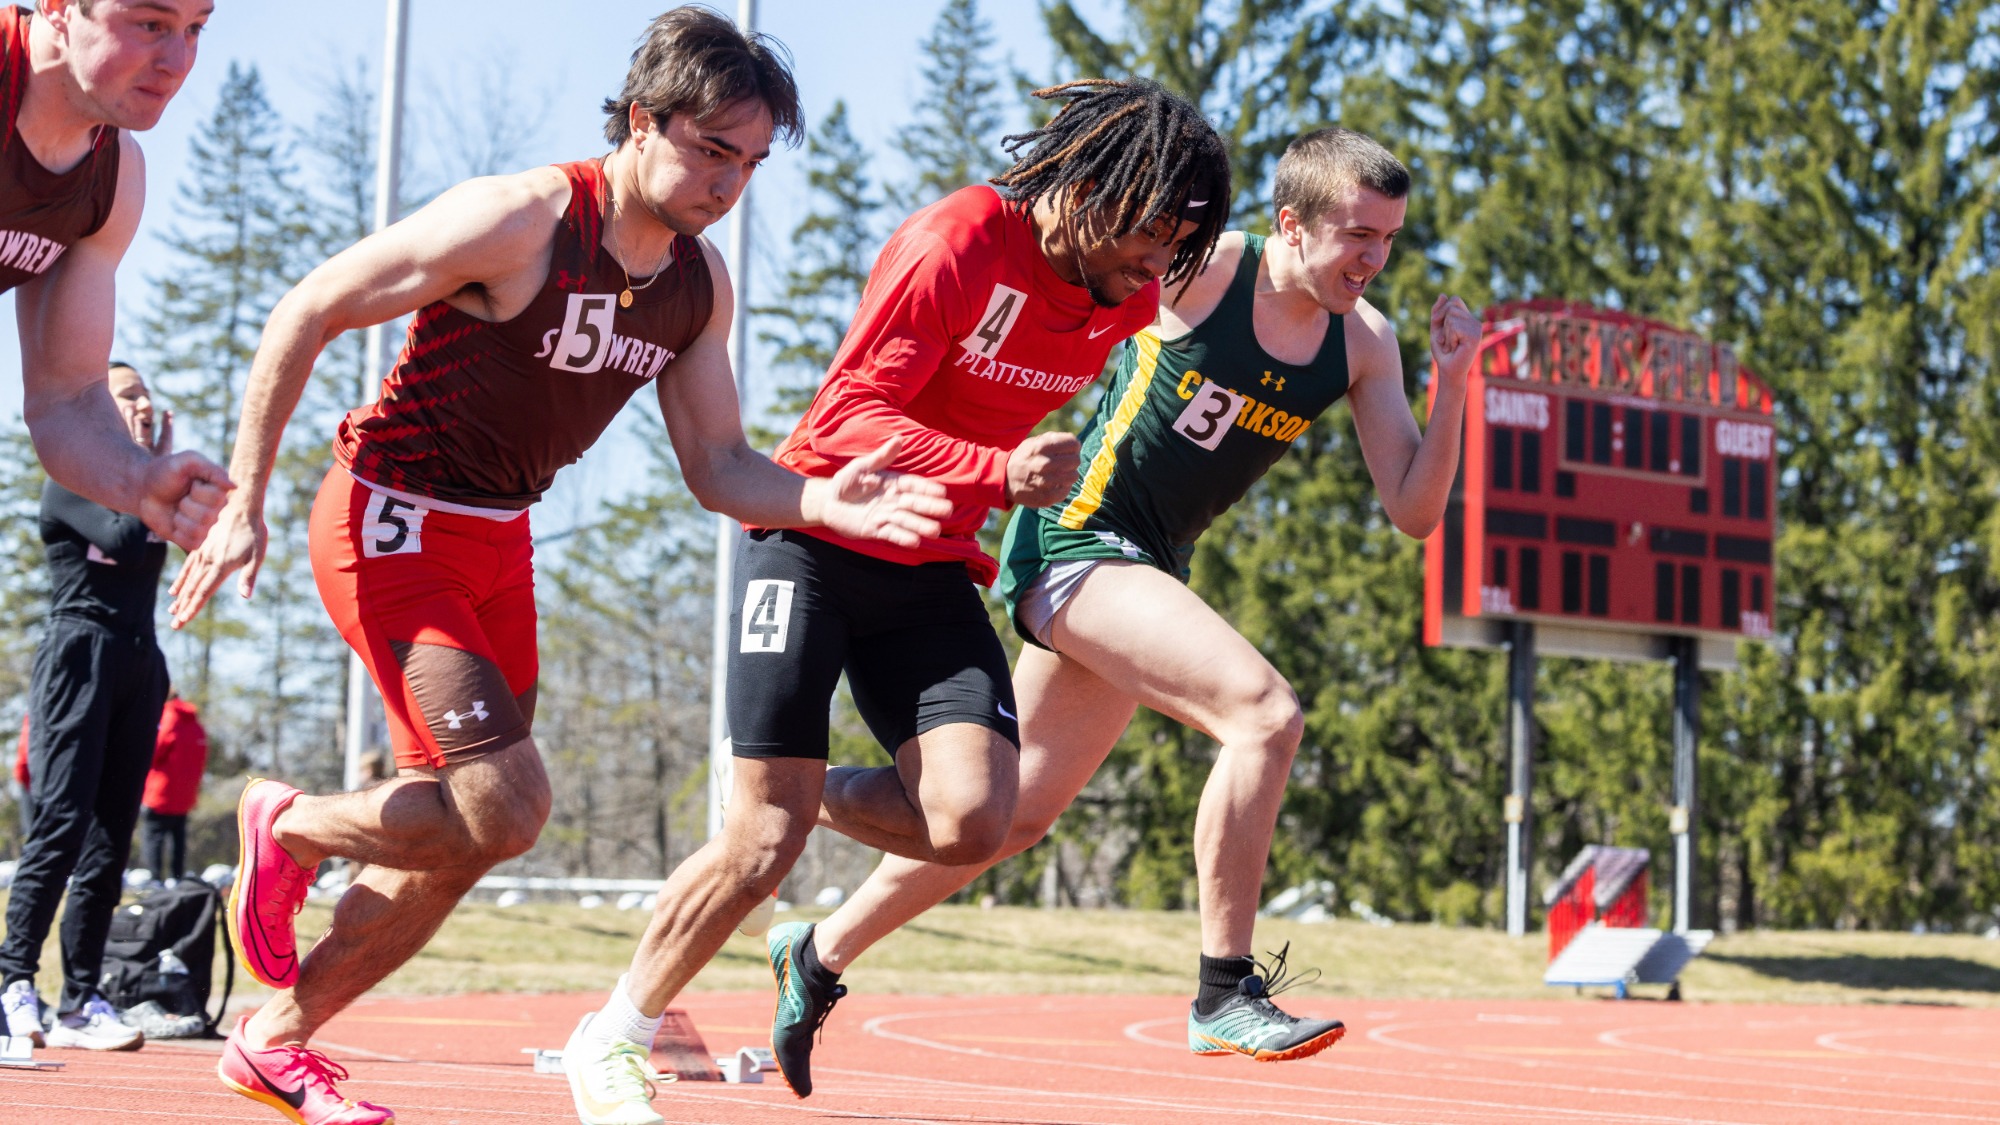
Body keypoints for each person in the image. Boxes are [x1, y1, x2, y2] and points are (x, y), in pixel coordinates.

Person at [165, 10, 949, 1125]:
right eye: (711, 149)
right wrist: (243, 496)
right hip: (391, 522)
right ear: (643, 121)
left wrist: (822, 497)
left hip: (498, 540)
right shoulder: (524, 218)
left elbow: (720, 466)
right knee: (508, 806)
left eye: (751, 163)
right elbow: (312, 306)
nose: (729, 182)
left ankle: (274, 1042)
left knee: (459, 833)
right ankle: (282, 820)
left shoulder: (696, 284)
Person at [563, 77, 1233, 1121]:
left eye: (1177, 246)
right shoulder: (959, 239)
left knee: (974, 823)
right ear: (1090, 187)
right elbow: (856, 409)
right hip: (817, 533)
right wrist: (994, 472)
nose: (1158, 267)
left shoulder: (1130, 302)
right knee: (757, 847)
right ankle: (614, 1036)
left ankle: (793, 795)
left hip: (927, 565)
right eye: (1148, 234)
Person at [774, 128, 1481, 1070]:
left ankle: (814, 940)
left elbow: (1414, 511)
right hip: (1075, 537)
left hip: (1148, 565)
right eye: (1356, 234)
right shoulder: (1200, 273)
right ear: (1289, 225)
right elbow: (1075, 283)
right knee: (1264, 715)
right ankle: (1225, 988)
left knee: (1013, 816)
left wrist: (1457, 379)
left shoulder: (1366, 344)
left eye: (1388, 239)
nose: (1374, 259)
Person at [2, 0, 231, 549]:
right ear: (58, 8)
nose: (177, 61)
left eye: (194, 29)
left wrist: (138, 480)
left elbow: (67, 397)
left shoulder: (116, 173)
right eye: (151, 25)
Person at [0, 360, 174, 1053]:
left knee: (110, 840)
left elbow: (186, 536)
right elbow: (130, 538)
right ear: (98, 408)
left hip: (139, 658)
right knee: (61, 827)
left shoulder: (149, 486)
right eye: (128, 396)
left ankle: (81, 998)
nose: (142, 406)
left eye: (146, 395)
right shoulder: (69, 479)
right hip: (80, 653)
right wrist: (155, 476)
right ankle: (13, 982)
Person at [141, 690, 206, 882]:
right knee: (178, 840)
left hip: (160, 792)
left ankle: (155, 880)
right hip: (185, 795)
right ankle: (176, 879)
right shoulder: (194, 722)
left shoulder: (168, 717)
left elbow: (153, 752)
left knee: (154, 837)